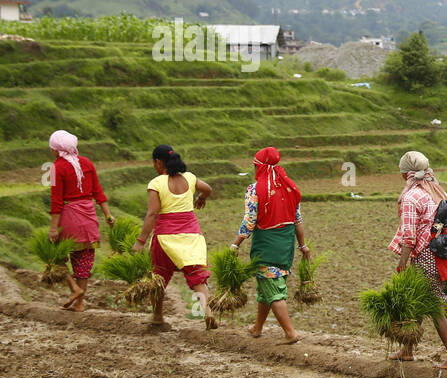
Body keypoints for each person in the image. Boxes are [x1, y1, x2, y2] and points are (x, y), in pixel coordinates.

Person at [389, 151, 447, 368]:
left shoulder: (411, 197)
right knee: (418, 299)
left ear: (405, 175)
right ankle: (407, 349)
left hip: (425, 257)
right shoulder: (437, 190)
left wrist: (402, 263)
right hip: (441, 254)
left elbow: (409, 237)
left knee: (434, 306)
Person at [231, 147, 307, 343]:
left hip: (266, 245)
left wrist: (235, 244)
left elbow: (249, 221)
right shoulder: (290, 188)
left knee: (273, 290)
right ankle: (257, 327)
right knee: (266, 286)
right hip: (286, 245)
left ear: (260, 167)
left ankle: (290, 333)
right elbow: (297, 220)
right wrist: (303, 246)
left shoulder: (255, 189)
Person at [133, 145, 213, 329]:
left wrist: (140, 241)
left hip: (166, 238)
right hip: (192, 235)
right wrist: (201, 198)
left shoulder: (157, 183)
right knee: (197, 277)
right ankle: (207, 313)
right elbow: (207, 188)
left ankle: (158, 316)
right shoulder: (190, 178)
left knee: (159, 276)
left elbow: (152, 214)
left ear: (158, 162)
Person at [47, 130, 115, 311]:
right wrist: (108, 214)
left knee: (57, 255)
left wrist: (53, 228)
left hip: (69, 217)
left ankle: (74, 288)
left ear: (57, 150)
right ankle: (79, 304)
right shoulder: (87, 163)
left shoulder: (55, 168)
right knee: (84, 260)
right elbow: (98, 192)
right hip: (89, 216)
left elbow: (56, 200)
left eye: (52, 149)